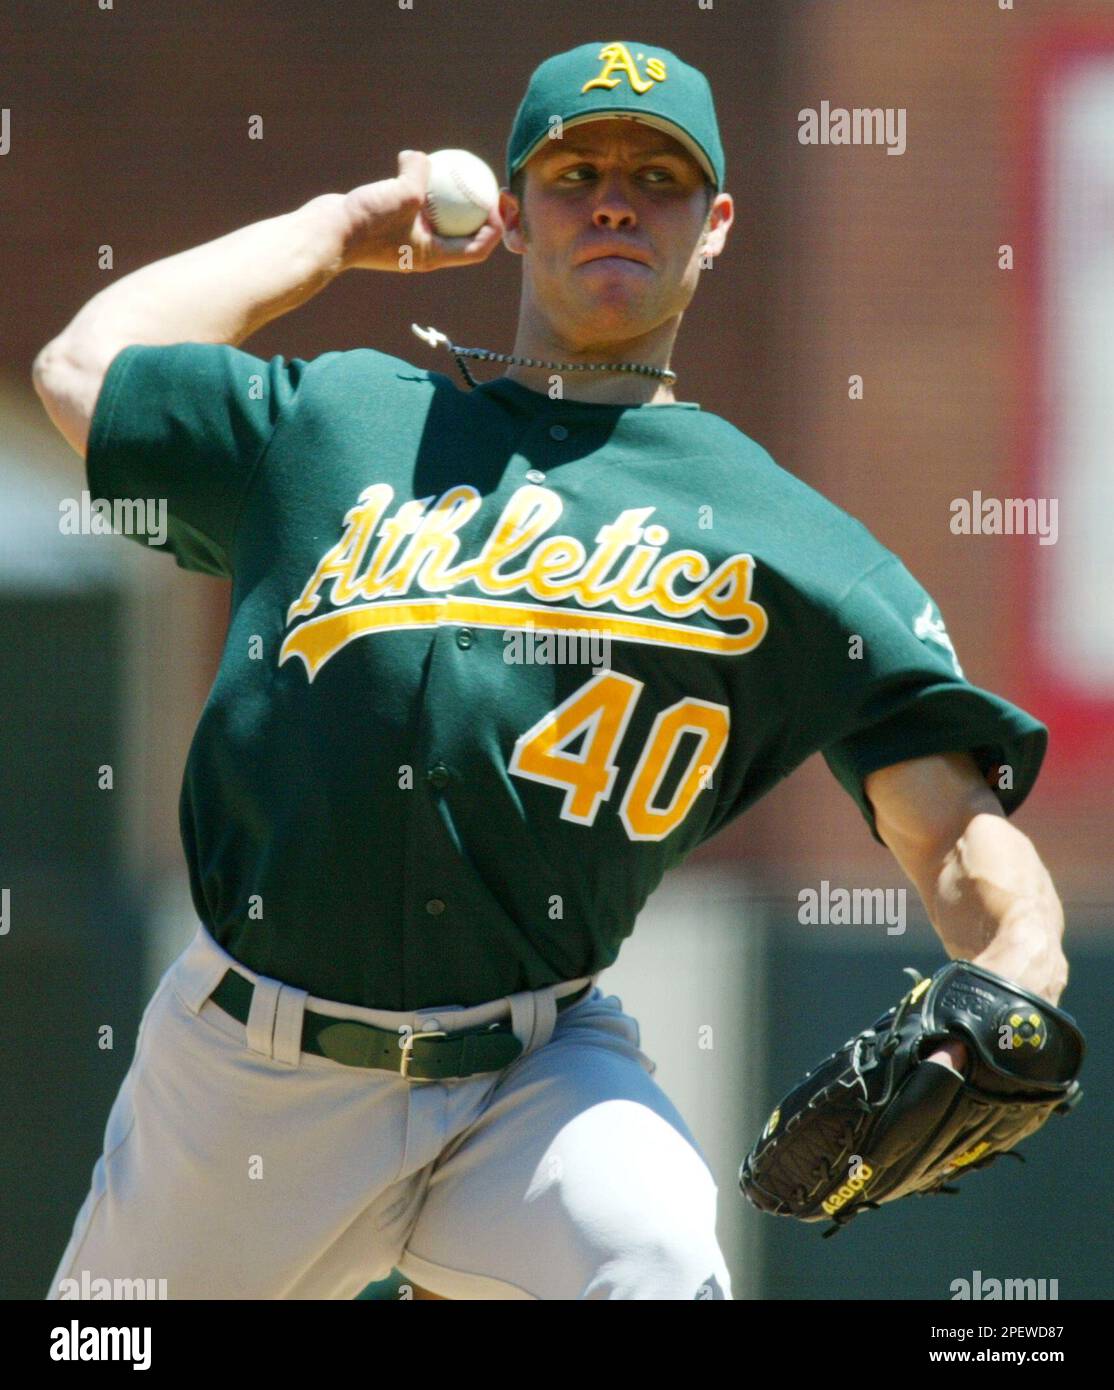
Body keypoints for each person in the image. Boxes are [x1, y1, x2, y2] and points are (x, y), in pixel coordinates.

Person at [33, 40, 1067, 1301]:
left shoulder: (788, 544)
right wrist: (337, 226)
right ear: (509, 216)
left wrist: (1020, 959)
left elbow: (950, 821)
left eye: (660, 175)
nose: (617, 197)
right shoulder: (340, 420)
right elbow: (82, 369)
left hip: (532, 1076)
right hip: (251, 1074)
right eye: (576, 172)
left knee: (658, 1263)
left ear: (717, 223)